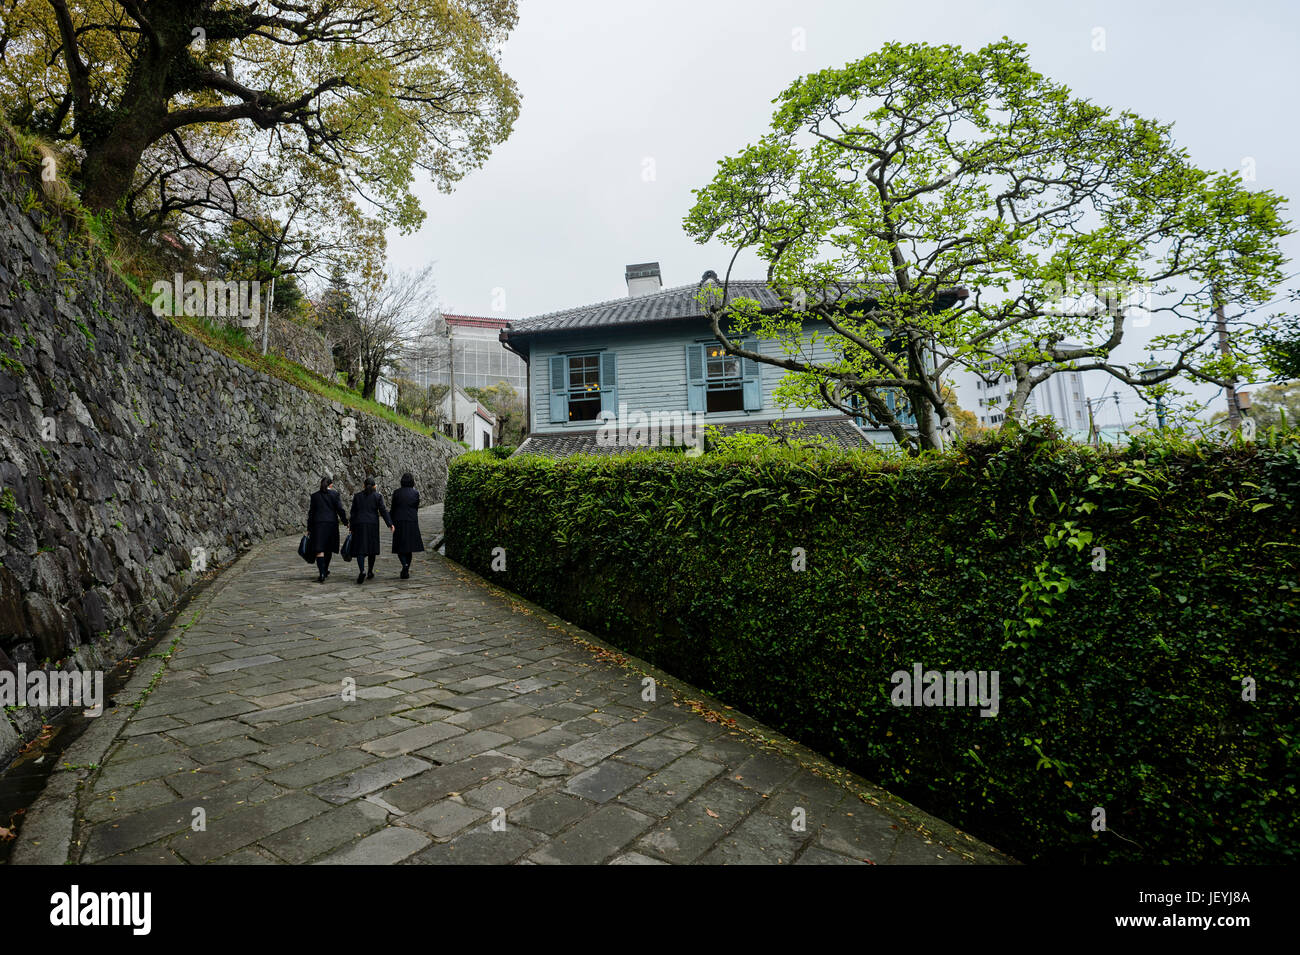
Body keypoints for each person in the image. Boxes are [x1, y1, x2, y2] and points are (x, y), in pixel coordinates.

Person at [350, 476, 393, 584]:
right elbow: (383, 511)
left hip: (359, 524)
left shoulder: (357, 496)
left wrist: (351, 527)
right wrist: (390, 524)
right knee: (371, 548)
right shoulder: (377, 496)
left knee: (360, 548)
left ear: (363, 486)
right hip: (372, 524)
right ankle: (370, 571)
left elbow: (353, 513)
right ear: (374, 486)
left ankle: (362, 570)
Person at [307, 476, 349, 583]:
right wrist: (346, 522)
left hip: (318, 524)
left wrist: (309, 528)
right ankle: (325, 570)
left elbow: (311, 513)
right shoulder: (335, 495)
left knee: (319, 549)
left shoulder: (315, 496)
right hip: (331, 524)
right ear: (331, 485)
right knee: (328, 548)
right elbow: (340, 509)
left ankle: (321, 574)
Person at [390, 472, 424, 579]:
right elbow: (416, 507)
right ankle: (406, 569)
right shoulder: (415, 493)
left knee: (400, 546)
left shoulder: (396, 493)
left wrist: (390, 521)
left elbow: (393, 508)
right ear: (412, 482)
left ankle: (404, 565)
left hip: (399, 521)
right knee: (409, 547)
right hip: (412, 521)